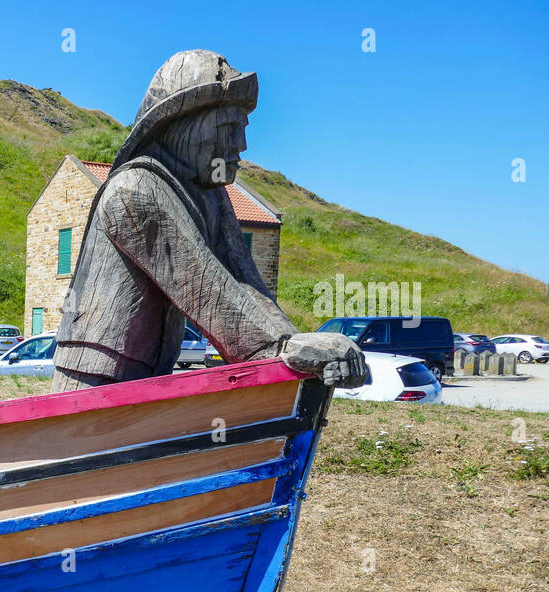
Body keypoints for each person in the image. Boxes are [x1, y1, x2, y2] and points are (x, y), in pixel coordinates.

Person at [51, 50, 367, 392]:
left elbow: (245, 283)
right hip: (95, 380)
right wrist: (280, 351)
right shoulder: (135, 190)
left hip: (148, 376)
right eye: (228, 128)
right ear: (183, 124)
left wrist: (292, 342)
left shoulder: (211, 194)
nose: (241, 145)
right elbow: (204, 287)